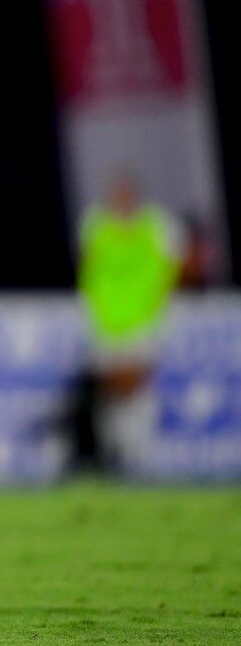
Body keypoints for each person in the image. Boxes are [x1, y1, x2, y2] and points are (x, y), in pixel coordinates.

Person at [77, 171, 184, 475]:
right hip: (106, 322)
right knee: (111, 390)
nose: (119, 200)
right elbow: (89, 265)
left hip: (144, 321)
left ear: (135, 196)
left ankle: (141, 454)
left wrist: (163, 305)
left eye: (125, 194)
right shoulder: (95, 224)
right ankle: (117, 454)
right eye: (115, 194)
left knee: (135, 385)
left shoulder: (157, 224)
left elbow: (179, 265)